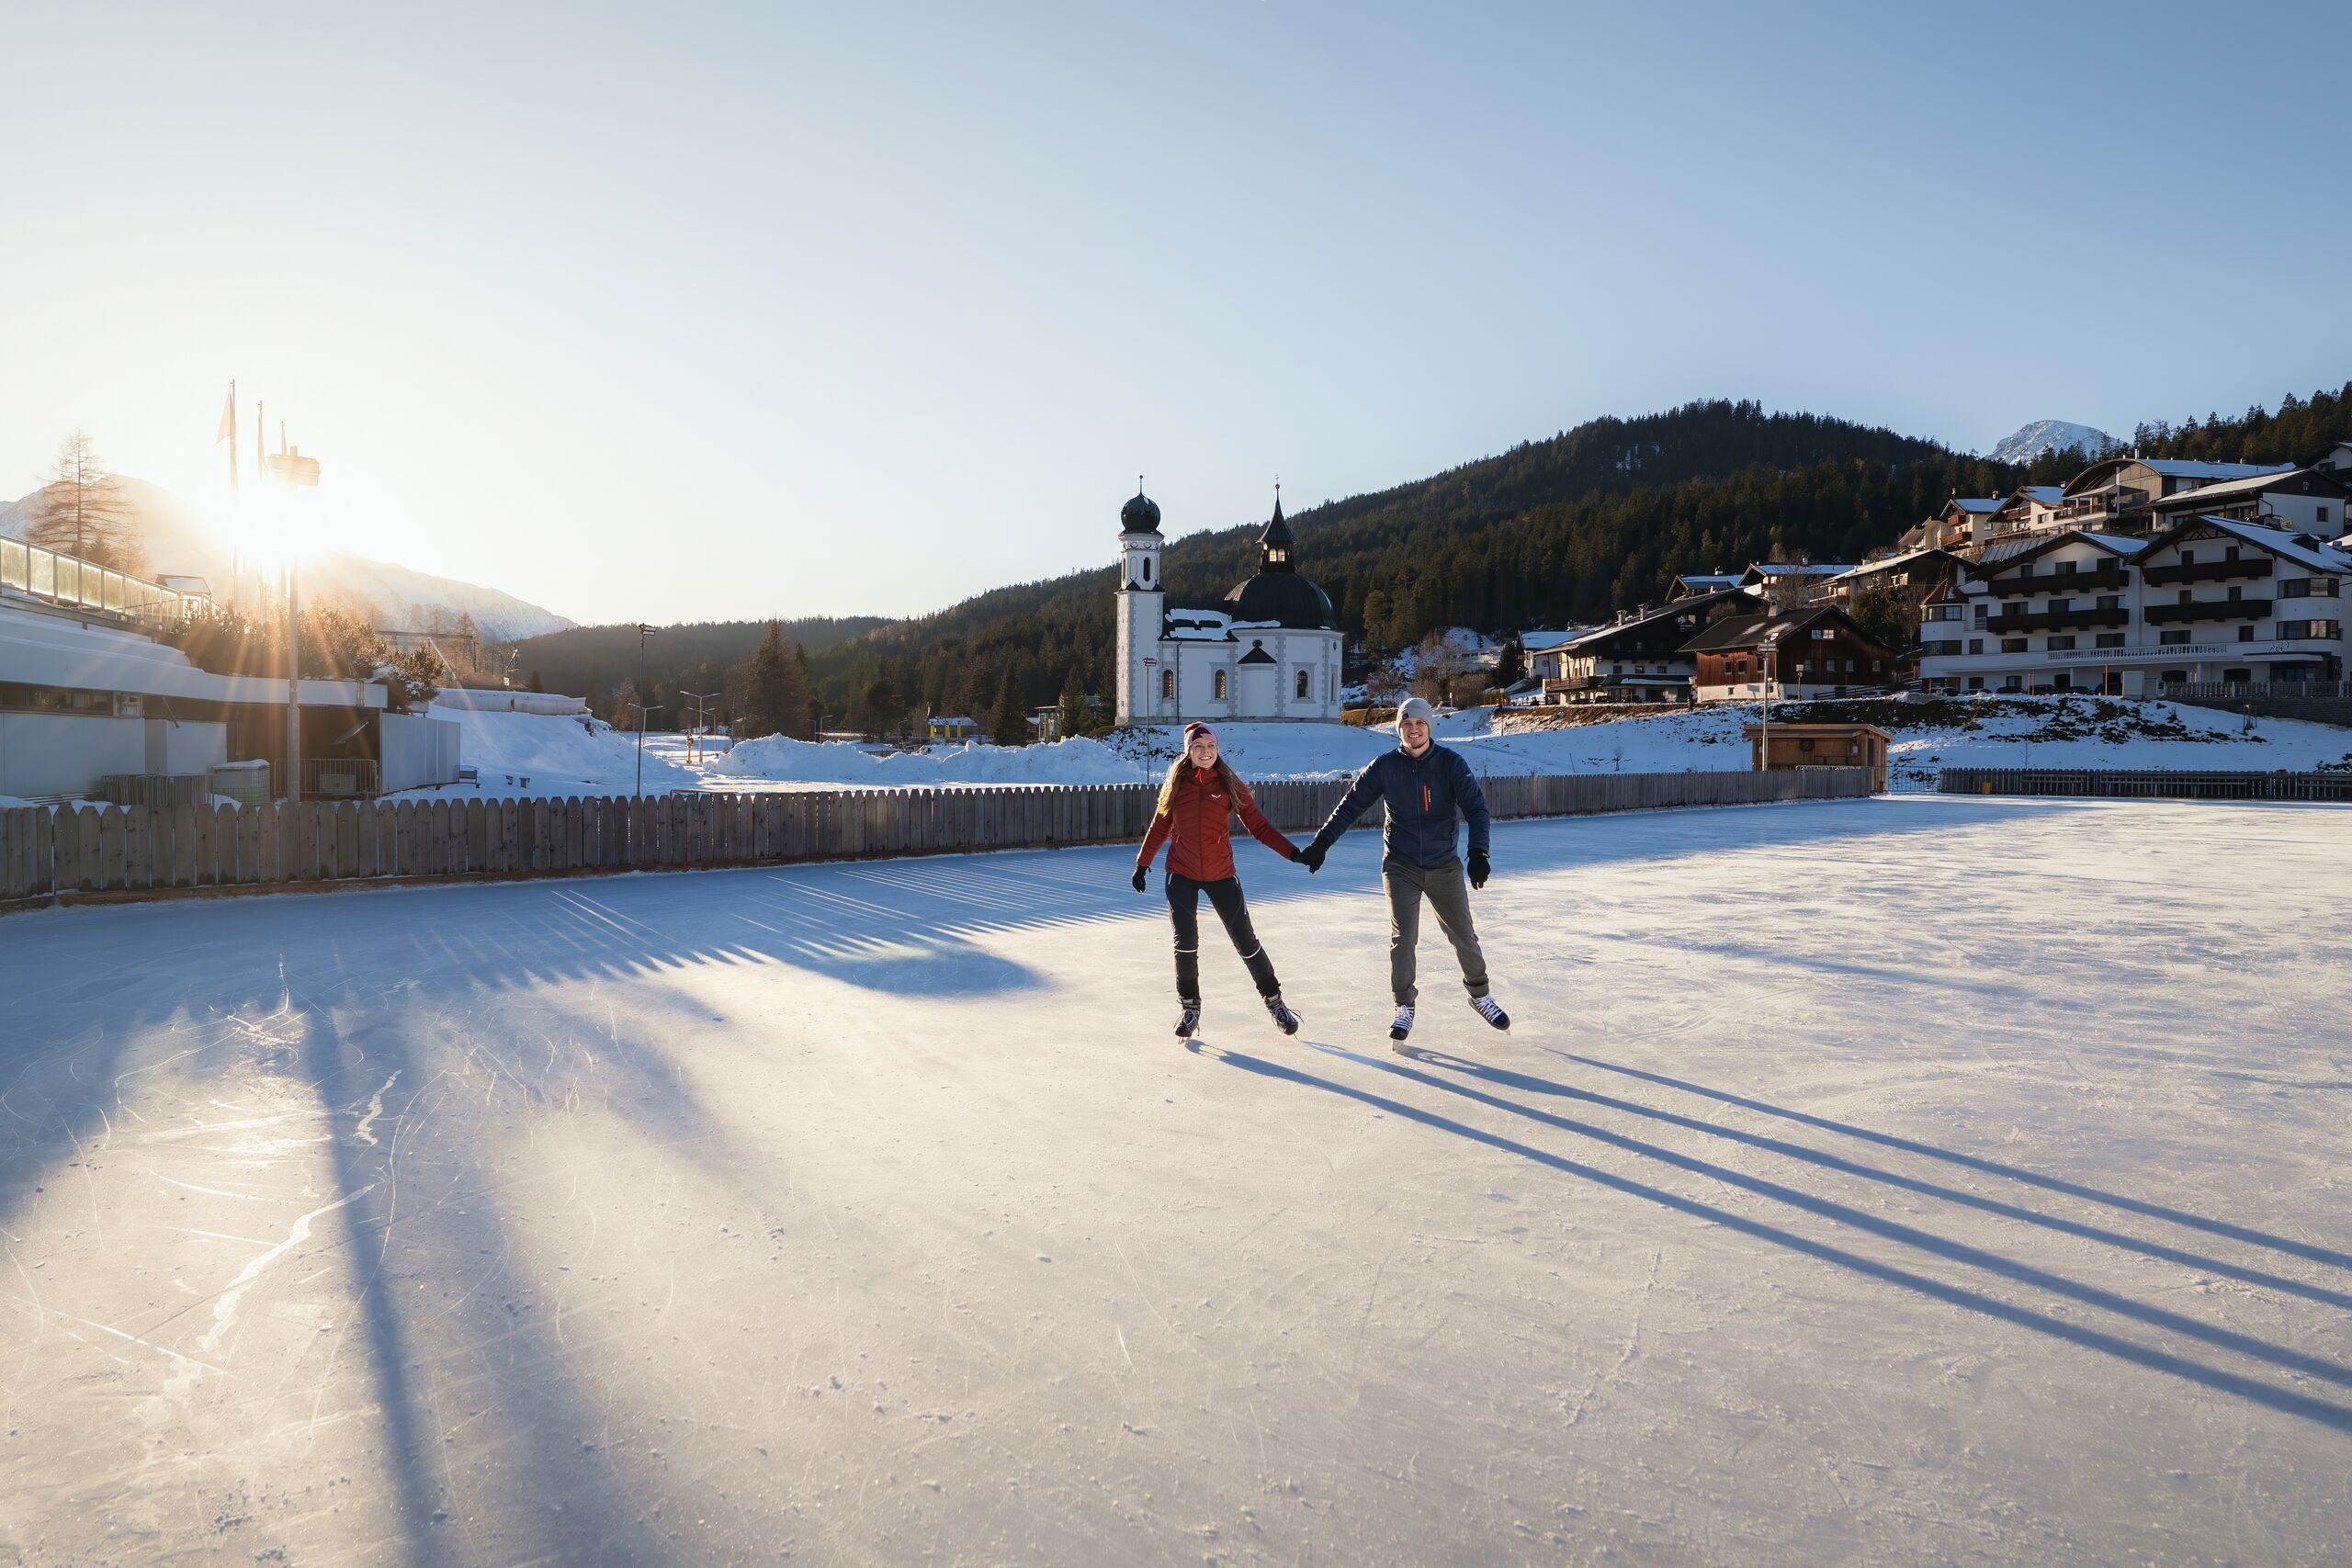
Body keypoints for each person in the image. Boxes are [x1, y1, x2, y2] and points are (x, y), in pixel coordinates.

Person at [1299, 696, 1507, 1042]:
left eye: (1420, 723)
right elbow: (1350, 806)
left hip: (1444, 864)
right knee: (1403, 938)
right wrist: (1322, 843)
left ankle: (1480, 995)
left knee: (1463, 935)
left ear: (1429, 727)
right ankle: (1404, 1005)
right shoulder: (1384, 767)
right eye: (1407, 724)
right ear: (1399, 729)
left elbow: (1476, 808)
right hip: (1400, 866)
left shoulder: (1450, 763)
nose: (1413, 729)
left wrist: (1478, 852)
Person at [1134, 722, 1305, 1039]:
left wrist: (1292, 853)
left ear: (1217, 749)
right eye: (1198, 747)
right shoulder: (1176, 784)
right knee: (1185, 944)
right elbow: (1159, 826)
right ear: (1188, 751)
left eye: (1210, 746)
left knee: (1246, 941)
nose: (1205, 752)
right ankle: (1190, 1008)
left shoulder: (1228, 783)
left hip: (1221, 873)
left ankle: (1275, 1001)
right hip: (1181, 873)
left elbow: (1258, 826)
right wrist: (1142, 865)